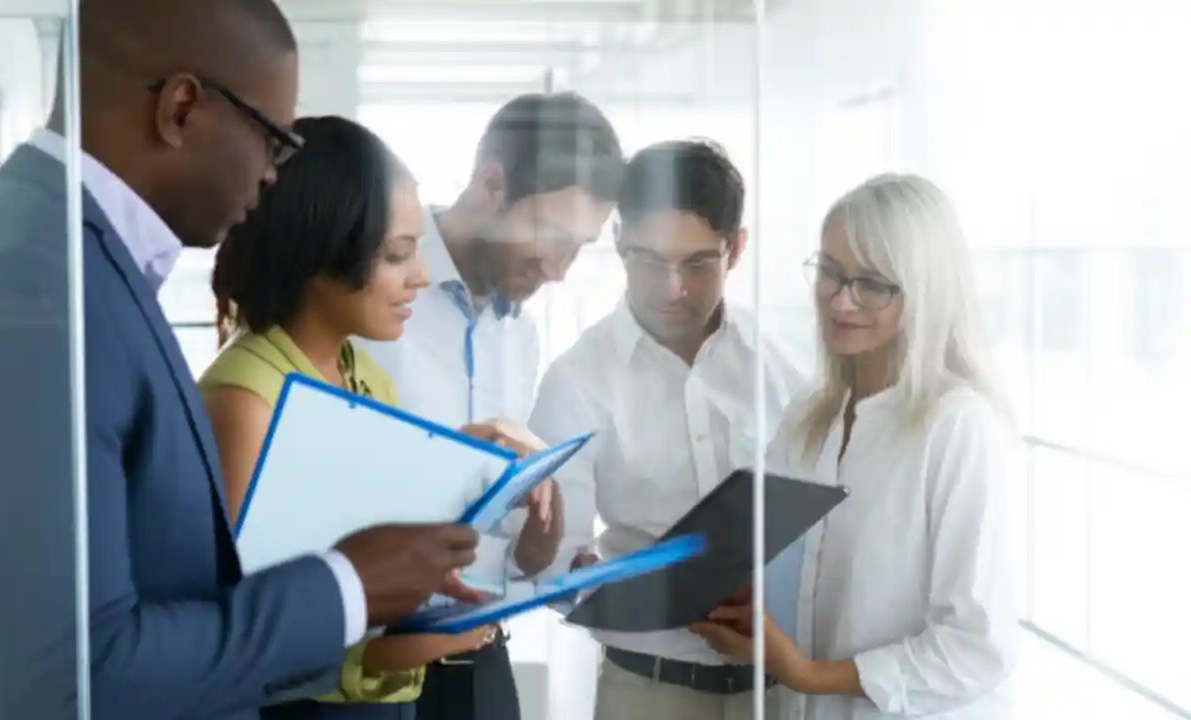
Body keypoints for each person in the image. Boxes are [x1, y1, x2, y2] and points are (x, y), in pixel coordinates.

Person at [0, 3, 481, 719]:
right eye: (272, 142)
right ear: (181, 110)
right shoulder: (28, 277)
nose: (274, 178)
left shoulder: (70, 258)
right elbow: (69, 679)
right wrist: (345, 589)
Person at [202, 115, 511, 720]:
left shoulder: (363, 375)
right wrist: (435, 638)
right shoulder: (245, 402)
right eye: (398, 255)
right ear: (320, 254)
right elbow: (258, 638)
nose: (421, 276)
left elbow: (369, 560)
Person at [691, 174, 1019, 719]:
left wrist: (808, 673)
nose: (841, 301)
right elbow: (778, 566)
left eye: (872, 283)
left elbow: (975, 648)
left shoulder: (958, 426)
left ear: (925, 292)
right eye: (830, 271)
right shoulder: (809, 416)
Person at [356, 91, 627, 720]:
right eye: (552, 234)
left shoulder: (520, 333)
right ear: (490, 183)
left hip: (482, 665)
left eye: (579, 247)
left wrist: (544, 535)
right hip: (374, 670)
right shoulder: (371, 282)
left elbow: (505, 550)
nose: (559, 270)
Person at [527, 139, 807, 720]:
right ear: (618, 242)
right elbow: (548, 565)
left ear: (736, 250)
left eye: (697, 262)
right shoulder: (578, 380)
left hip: (778, 687)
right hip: (648, 694)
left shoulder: (785, 370)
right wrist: (636, 587)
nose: (671, 288)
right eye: (648, 259)